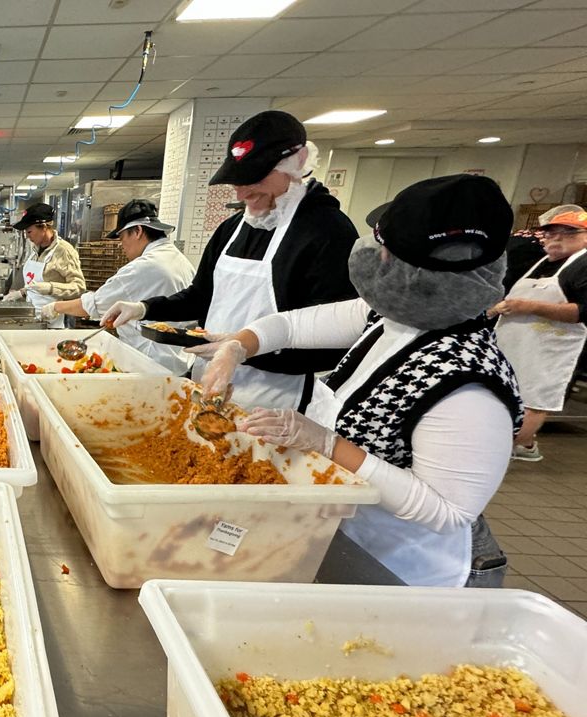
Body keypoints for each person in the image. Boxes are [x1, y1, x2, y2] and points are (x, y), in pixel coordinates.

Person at [196, 174, 523, 587]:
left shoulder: (468, 384)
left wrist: (327, 444)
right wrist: (238, 346)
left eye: (385, 252)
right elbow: (291, 326)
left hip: (407, 567)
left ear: (418, 274)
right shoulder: (392, 316)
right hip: (347, 532)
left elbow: (447, 511)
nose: (375, 259)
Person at [103, 110, 358, 411]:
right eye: (237, 181)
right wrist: (145, 307)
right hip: (207, 389)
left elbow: (334, 344)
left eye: (254, 178)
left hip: (274, 403)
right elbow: (200, 296)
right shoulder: (233, 228)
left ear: (296, 164)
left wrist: (242, 350)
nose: (242, 191)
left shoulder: (328, 232)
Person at [43, 199, 195, 374]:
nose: (122, 246)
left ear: (137, 231)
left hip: (150, 364)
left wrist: (55, 306)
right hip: (180, 362)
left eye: (122, 238)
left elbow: (92, 305)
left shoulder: (144, 266)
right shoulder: (179, 259)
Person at [491, 207, 587, 462]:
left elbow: (581, 311)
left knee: (534, 398)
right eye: (552, 232)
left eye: (568, 233)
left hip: (553, 346)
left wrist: (529, 307)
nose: (556, 238)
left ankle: (511, 448)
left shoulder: (583, 265)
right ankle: (522, 443)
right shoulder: (543, 262)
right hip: (516, 341)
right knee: (503, 393)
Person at [3, 202, 85, 328]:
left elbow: (79, 287)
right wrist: (21, 292)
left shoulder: (64, 251)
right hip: (31, 318)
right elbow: (35, 283)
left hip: (51, 323)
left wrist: (50, 288)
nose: (27, 236)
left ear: (44, 227)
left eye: (29, 232)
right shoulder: (35, 249)